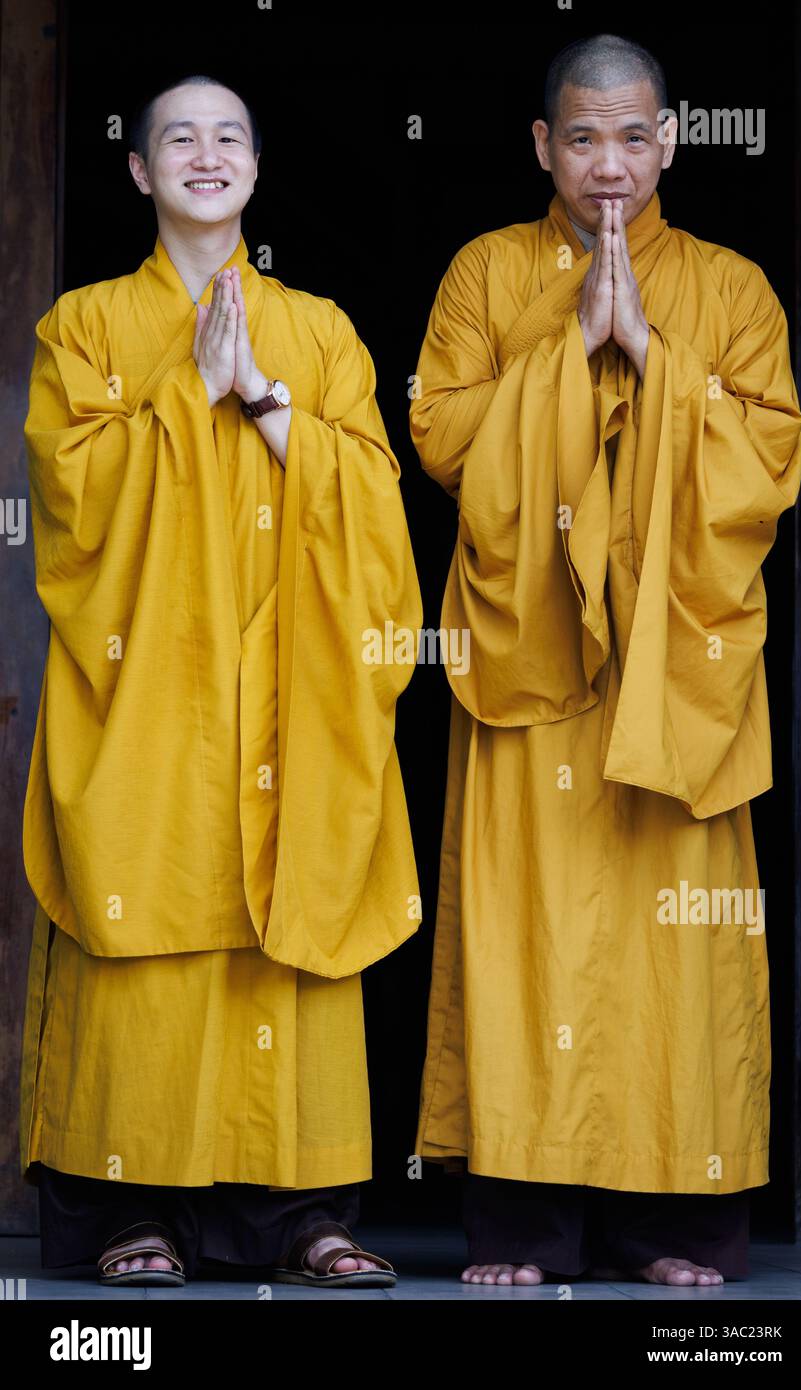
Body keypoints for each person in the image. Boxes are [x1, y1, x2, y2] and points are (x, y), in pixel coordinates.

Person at [409, 33, 801, 1287]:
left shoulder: (731, 288)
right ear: (543, 145)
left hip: (670, 673)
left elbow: (773, 459)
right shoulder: (486, 272)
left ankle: (674, 1230)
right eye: (582, 136)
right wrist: (568, 349)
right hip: (533, 657)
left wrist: (656, 359)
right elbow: (438, 436)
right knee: (524, 938)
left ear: (671, 140)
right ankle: (521, 1229)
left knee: (670, 953)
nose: (609, 163)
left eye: (633, 135)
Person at [20, 72, 422, 1288]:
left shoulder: (322, 330)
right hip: (154, 695)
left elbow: (377, 515)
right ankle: (134, 1214)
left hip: (295, 689)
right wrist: (182, 390)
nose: (207, 154)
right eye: (178, 138)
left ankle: (308, 1216)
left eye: (229, 136)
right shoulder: (82, 326)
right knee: (155, 916)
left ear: (253, 168)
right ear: (139, 171)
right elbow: (72, 501)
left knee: (289, 922)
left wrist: (260, 397)